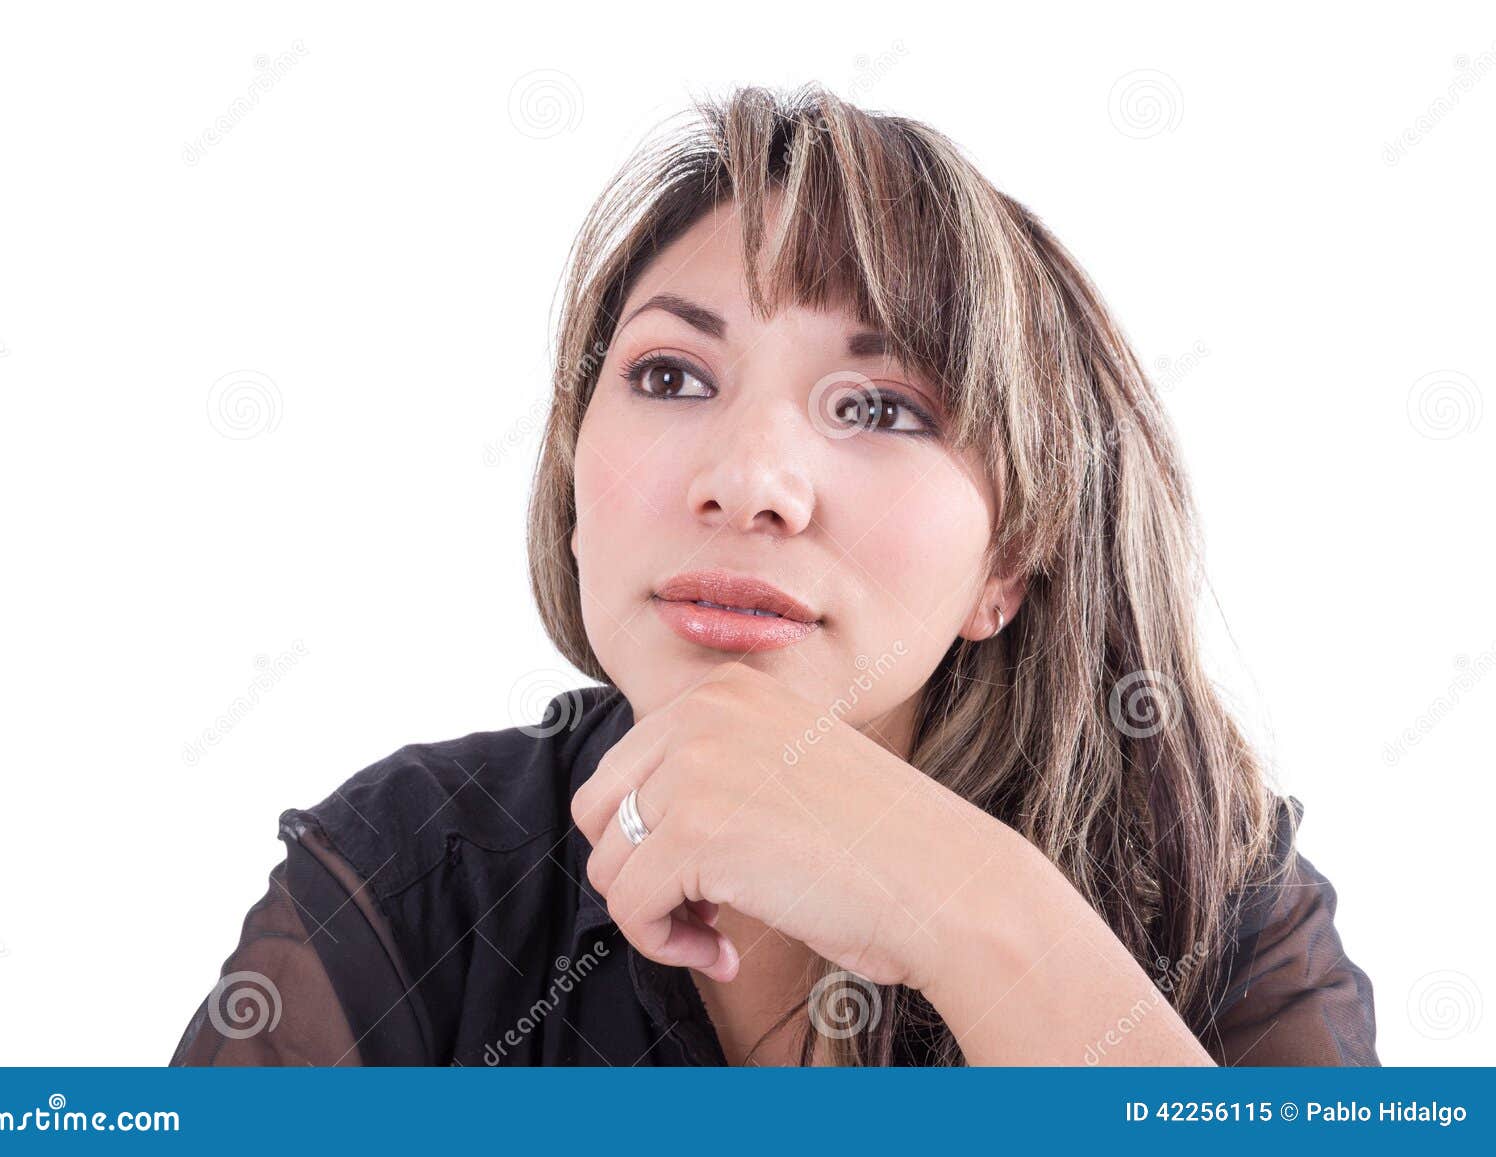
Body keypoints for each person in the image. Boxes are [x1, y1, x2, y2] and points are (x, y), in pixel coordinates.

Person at [170, 83, 1379, 1067]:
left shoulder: (1213, 893)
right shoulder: (414, 876)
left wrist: (972, 909)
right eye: (671, 376)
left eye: (880, 406)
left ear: (1006, 564)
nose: (749, 481)